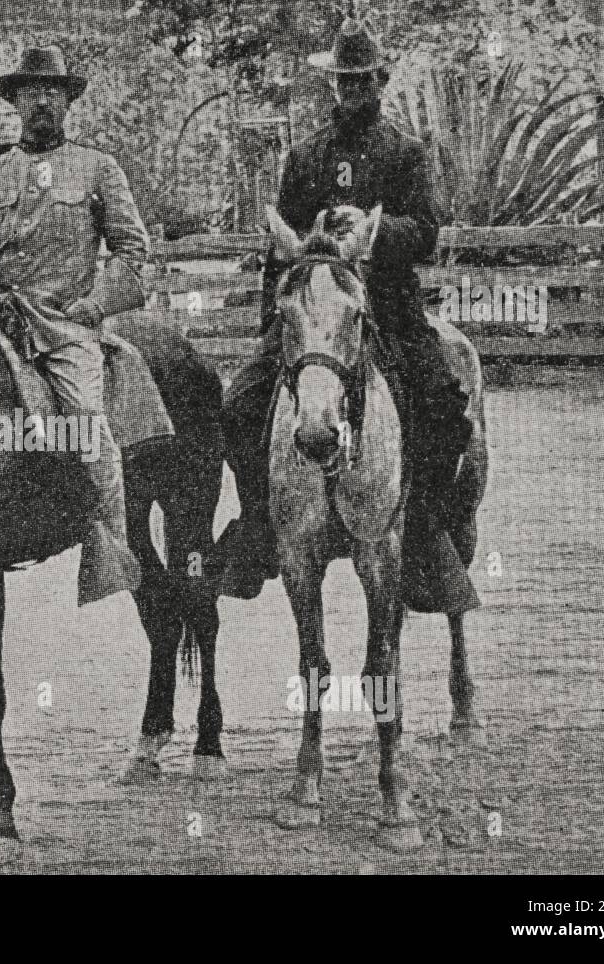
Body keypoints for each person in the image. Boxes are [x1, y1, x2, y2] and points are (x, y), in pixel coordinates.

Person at [216, 16, 472, 598]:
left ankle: (425, 533)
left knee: (443, 408)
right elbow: (279, 245)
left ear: (380, 82)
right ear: (331, 84)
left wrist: (375, 229)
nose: (352, 90)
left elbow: (426, 231)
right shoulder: (306, 155)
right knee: (239, 407)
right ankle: (258, 523)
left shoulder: (404, 153)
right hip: (312, 315)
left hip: (387, 309)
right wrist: (275, 320)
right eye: (343, 80)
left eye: (362, 80)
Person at [0, 46, 151, 606]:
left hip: (65, 328)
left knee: (87, 428)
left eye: (51, 92)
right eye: (30, 92)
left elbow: (133, 254)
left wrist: (95, 304)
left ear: (67, 102)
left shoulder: (98, 168)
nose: (41, 102)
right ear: (15, 102)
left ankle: (109, 546)